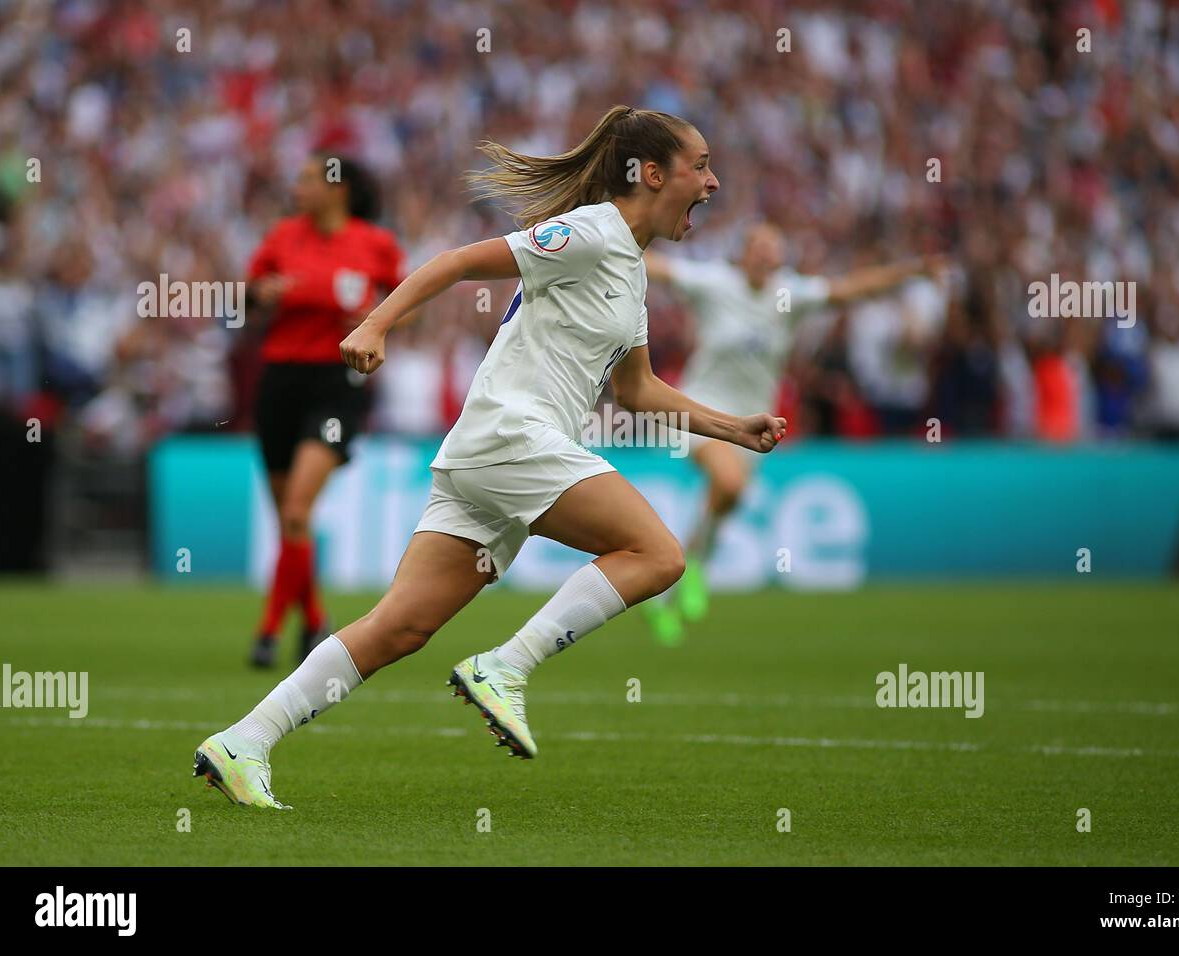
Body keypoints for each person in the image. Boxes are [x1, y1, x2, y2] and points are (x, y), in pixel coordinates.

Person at [192, 106, 787, 808]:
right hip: (513, 436)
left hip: (493, 456)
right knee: (658, 555)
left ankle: (246, 741)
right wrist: (376, 322)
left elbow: (637, 389)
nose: (714, 182)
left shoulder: (629, 269)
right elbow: (459, 262)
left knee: (399, 627)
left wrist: (731, 427)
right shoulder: (592, 231)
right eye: (703, 166)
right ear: (652, 174)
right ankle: (508, 666)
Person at [641, 228, 941, 643]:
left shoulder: (790, 295)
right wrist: (603, 242)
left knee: (730, 493)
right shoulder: (714, 284)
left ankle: (685, 574)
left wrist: (911, 271)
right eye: (760, 250)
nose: (767, 259)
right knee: (728, 482)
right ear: (742, 256)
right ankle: (693, 567)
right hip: (702, 410)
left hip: (755, 422)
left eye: (774, 253)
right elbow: (659, 269)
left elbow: (848, 290)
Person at [244, 155, 404, 668]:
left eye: (307, 178)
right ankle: (314, 619)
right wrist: (259, 294)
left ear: (339, 189)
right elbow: (245, 300)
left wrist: (378, 322)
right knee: (290, 520)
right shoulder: (282, 237)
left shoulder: (374, 243)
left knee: (296, 511)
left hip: (336, 383)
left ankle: (267, 635)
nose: (298, 186)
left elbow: (408, 296)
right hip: (279, 382)